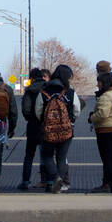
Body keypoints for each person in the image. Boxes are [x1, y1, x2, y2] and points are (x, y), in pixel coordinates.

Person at [34, 64, 77, 193]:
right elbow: (77, 109)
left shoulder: (44, 91)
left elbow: (38, 110)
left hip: (48, 130)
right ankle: (63, 182)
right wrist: (71, 120)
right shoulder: (70, 92)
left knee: (47, 156)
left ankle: (55, 177)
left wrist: (44, 121)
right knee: (61, 157)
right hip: (66, 131)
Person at [88, 71, 112, 193]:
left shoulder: (106, 96)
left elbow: (103, 113)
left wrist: (92, 118)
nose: (98, 84)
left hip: (105, 129)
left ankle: (107, 183)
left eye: (99, 82)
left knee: (106, 158)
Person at [17, 68, 47, 190]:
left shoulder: (29, 91)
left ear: (32, 78)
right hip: (46, 126)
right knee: (46, 155)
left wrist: (30, 118)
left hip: (33, 126)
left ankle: (25, 181)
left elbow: (26, 110)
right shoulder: (47, 89)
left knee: (29, 155)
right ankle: (48, 181)